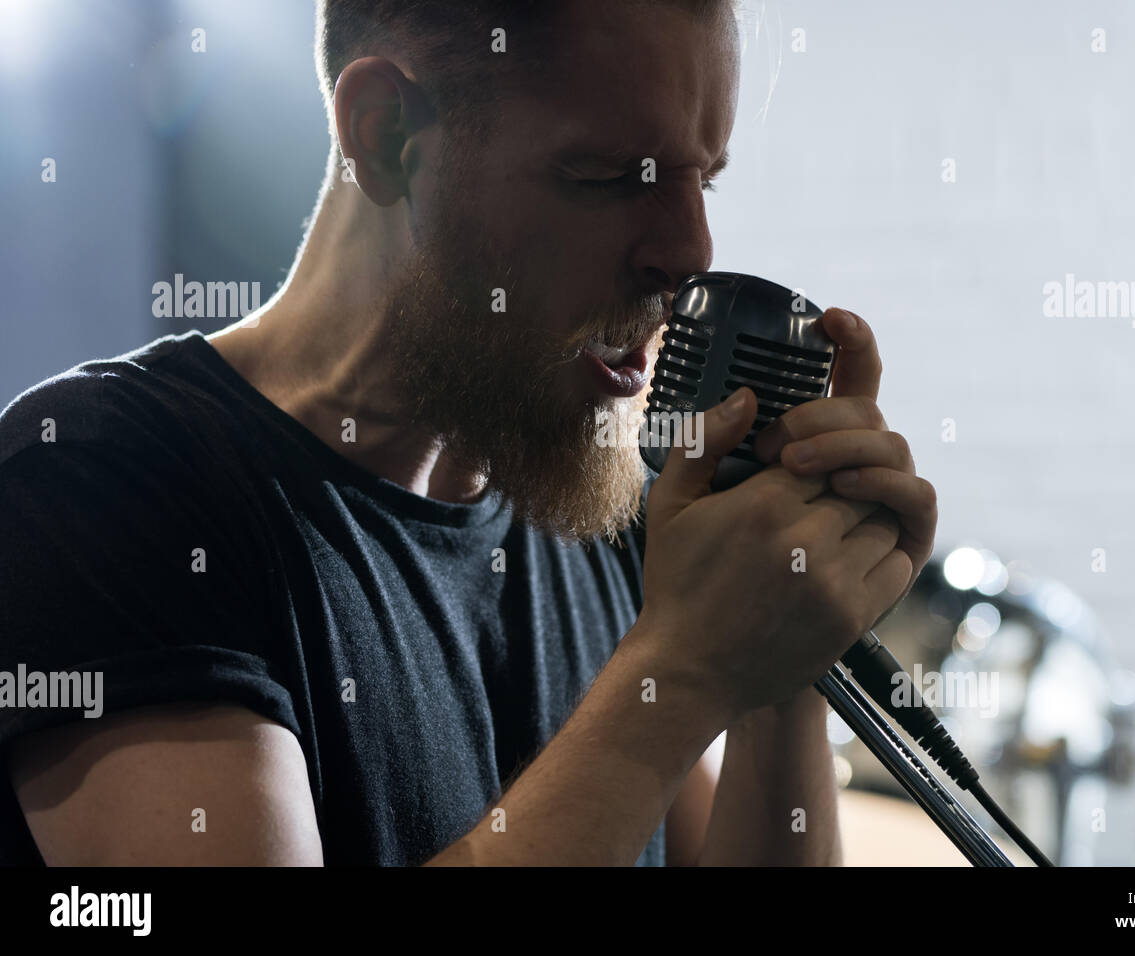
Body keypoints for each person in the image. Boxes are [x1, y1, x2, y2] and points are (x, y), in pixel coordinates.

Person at [0, 0, 936, 866]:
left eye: (705, 182)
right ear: (387, 133)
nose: (689, 251)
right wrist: (688, 668)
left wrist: (783, 663)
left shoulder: (587, 504)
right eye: (609, 177)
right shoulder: (101, 481)